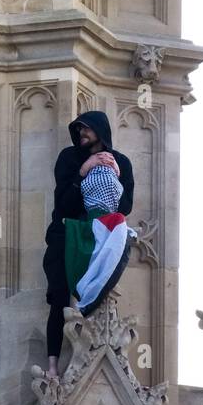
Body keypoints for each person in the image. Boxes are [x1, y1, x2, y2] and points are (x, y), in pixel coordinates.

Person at [42, 111, 134, 377]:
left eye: (87, 129)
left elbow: (125, 206)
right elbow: (64, 203)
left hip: (101, 235)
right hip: (65, 233)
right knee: (59, 297)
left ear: (100, 130)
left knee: (101, 290)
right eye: (79, 129)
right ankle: (52, 367)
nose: (81, 133)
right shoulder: (69, 158)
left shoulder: (122, 163)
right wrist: (84, 169)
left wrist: (114, 173)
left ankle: (98, 360)